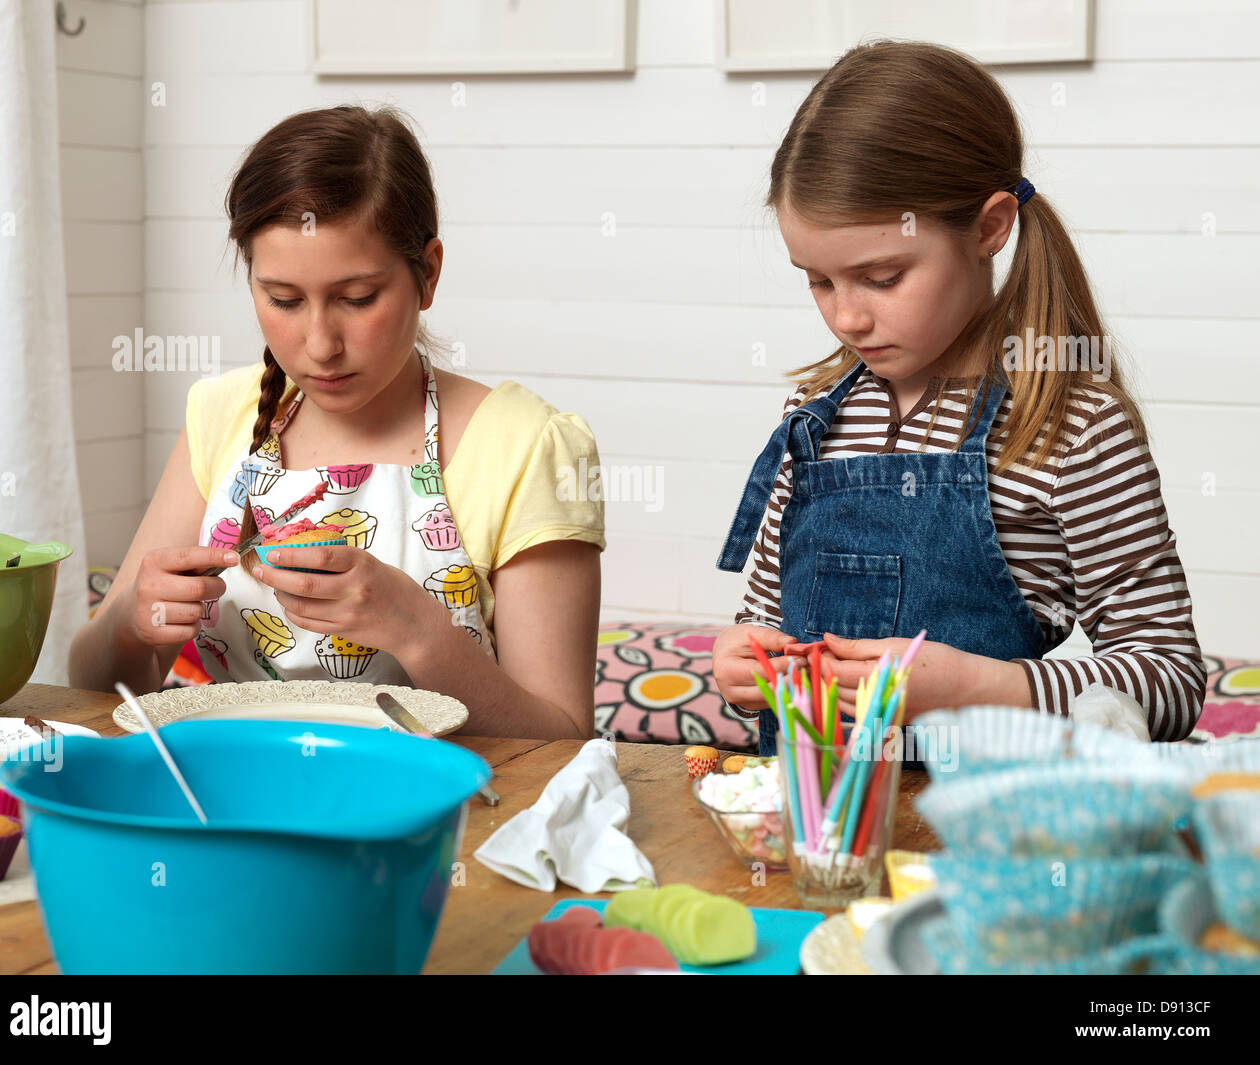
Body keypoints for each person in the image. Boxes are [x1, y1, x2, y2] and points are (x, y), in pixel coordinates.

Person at [711, 41, 1205, 756]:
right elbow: (763, 618)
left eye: (881, 276)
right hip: (811, 841)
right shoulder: (813, 416)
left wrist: (976, 687)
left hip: (986, 843)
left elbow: (1168, 679)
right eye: (818, 281)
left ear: (989, 228)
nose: (845, 317)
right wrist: (744, 657)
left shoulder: (1072, 428)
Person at [69, 105, 603, 739]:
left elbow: (562, 741)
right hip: (240, 792)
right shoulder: (223, 414)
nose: (320, 344)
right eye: (284, 300)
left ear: (427, 273)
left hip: (444, 815)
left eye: (357, 299)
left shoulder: (527, 445)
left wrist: (419, 630)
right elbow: (91, 683)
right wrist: (133, 616)